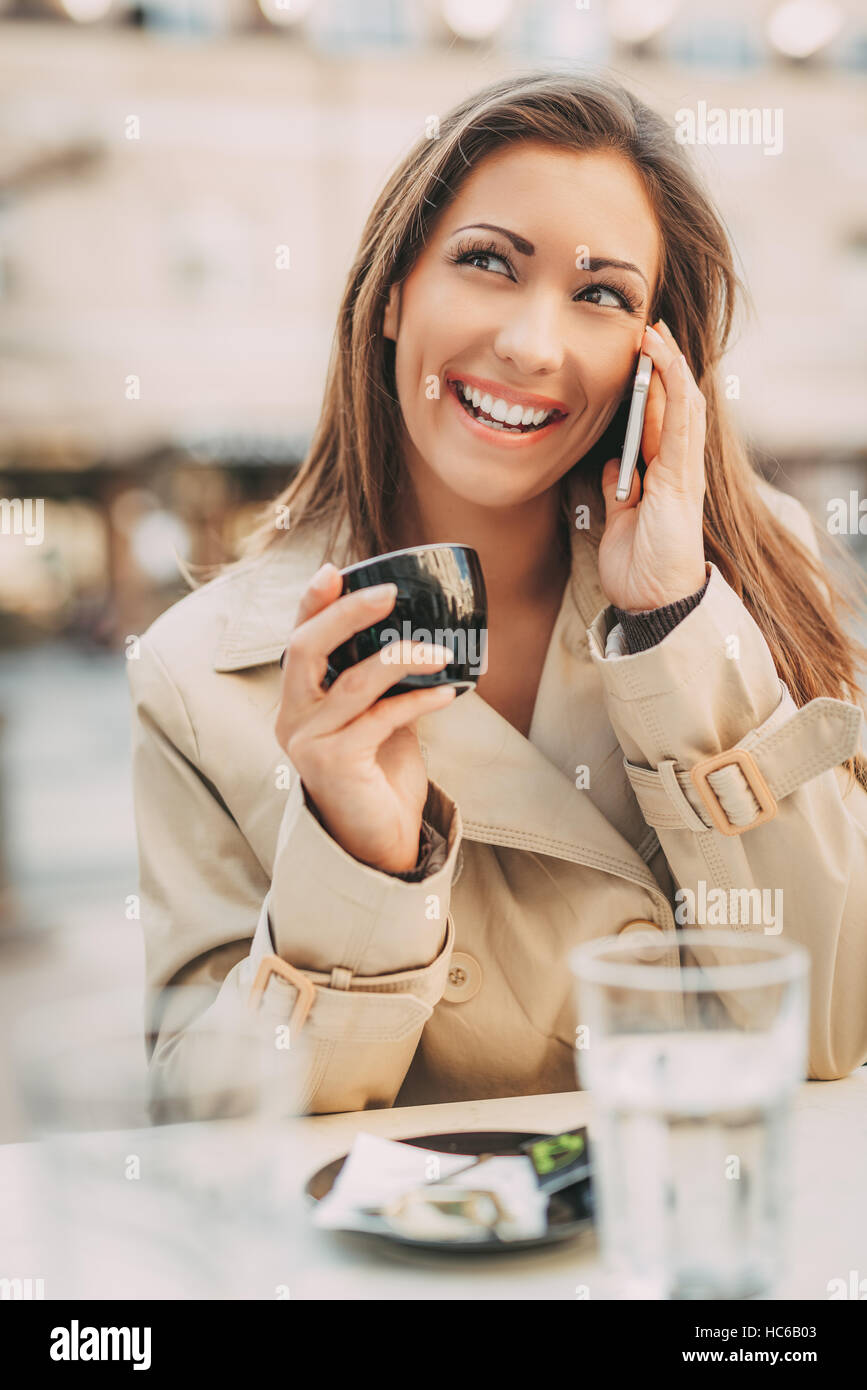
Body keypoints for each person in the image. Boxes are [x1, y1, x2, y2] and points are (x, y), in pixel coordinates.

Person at [128, 71, 867, 1122]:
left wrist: (673, 622)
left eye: (601, 294)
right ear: (393, 292)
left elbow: (836, 1027)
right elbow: (214, 1134)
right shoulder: (198, 673)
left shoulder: (753, 579)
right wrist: (360, 863)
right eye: (486, 262)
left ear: (655, 359)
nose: (531, 343)